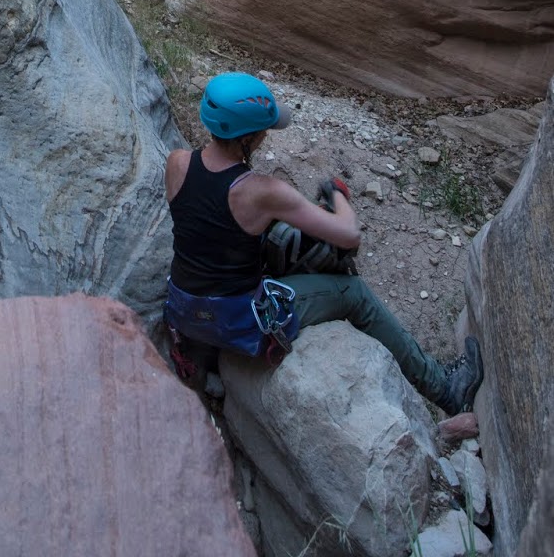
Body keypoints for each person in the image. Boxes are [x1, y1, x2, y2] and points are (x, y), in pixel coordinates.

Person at [164, 71, 484, 415]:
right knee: (352, 293)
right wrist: (338, 194)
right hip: (237, 322)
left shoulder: (177, 163)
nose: (265, 138)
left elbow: (212, 225)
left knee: (273, 240)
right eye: (263, 132)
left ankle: (209, 359)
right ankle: (447, 389)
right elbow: (349, 234)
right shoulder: (264, 193)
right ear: (248, 138)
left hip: (185, 311)